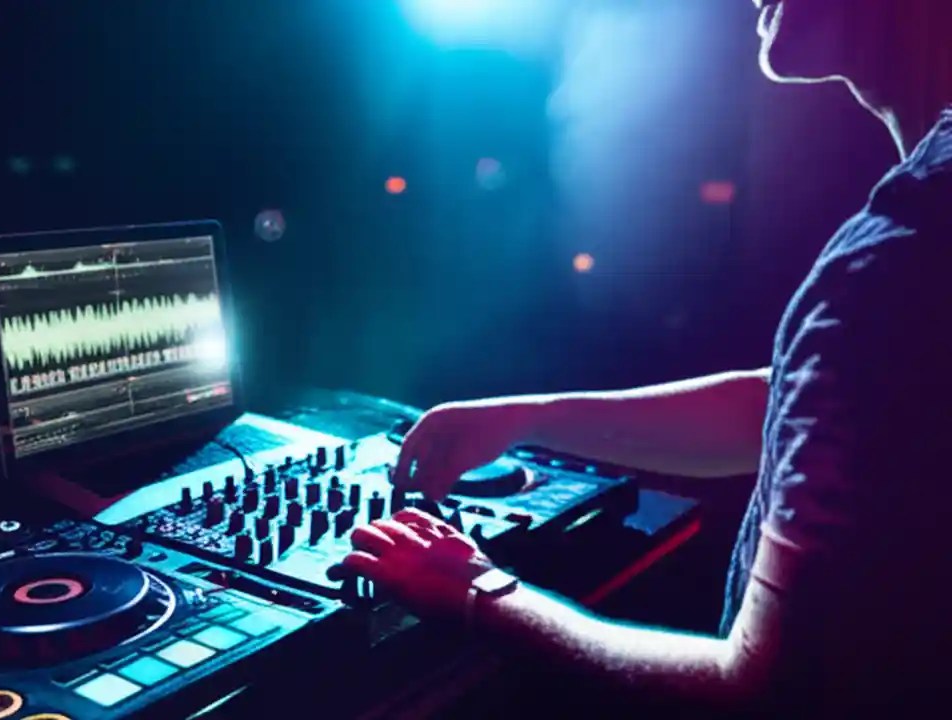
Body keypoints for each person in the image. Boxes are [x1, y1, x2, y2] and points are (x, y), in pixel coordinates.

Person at [338, 0, 951, 711]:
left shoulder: (894, 265)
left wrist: (475, 590)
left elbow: (763, 688)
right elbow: (804, 404)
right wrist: (532, 416)